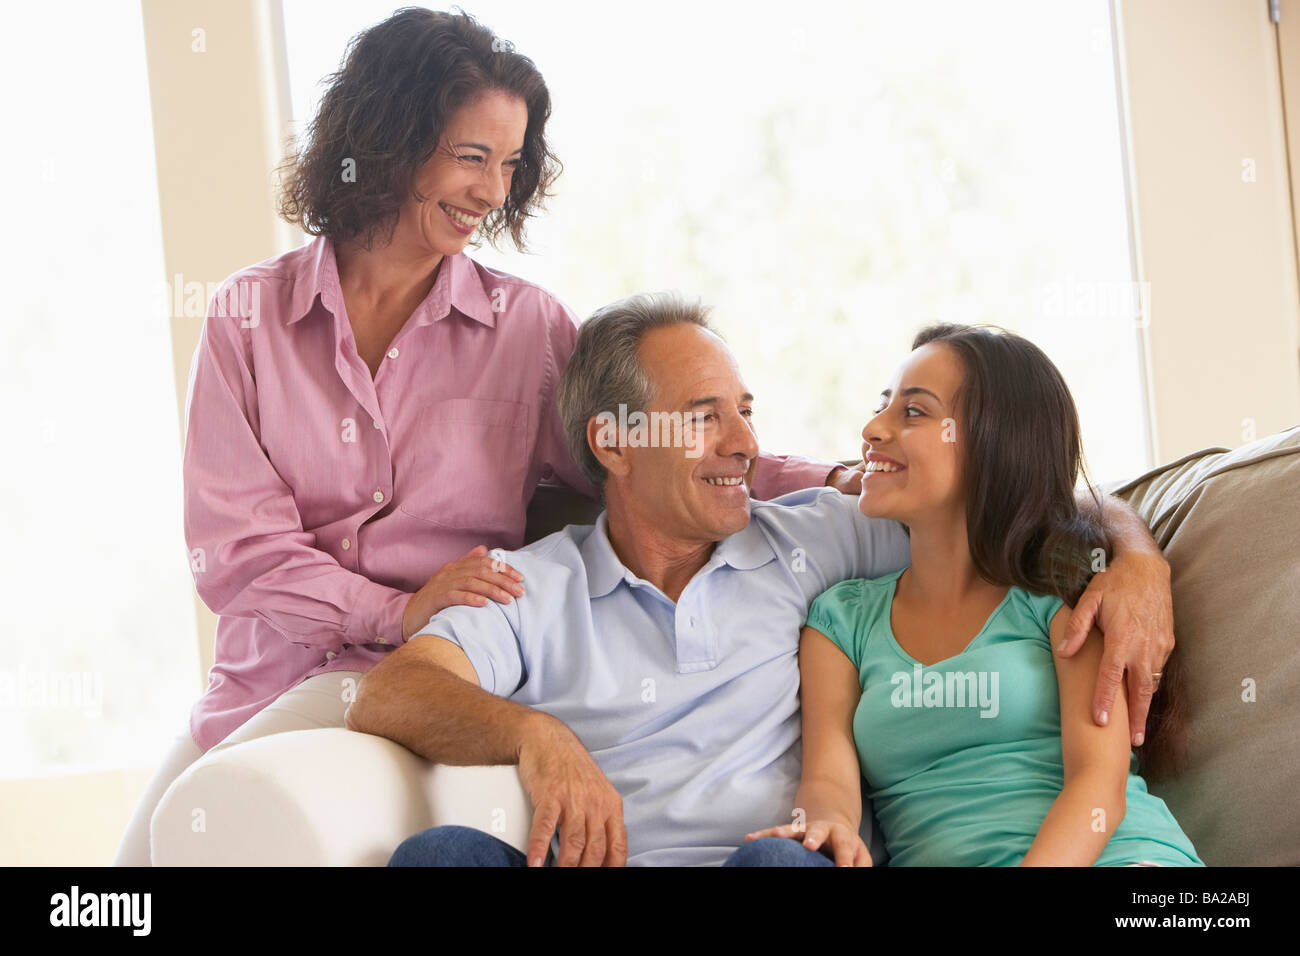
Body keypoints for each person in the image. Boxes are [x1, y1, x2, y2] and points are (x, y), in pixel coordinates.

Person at [113, 9, 847, 867]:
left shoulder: (525, 330)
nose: (494, 193)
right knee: (127, 870)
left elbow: (648, 445)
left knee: (180, 844)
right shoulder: (250, 315)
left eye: (509, 164)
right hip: (266, 682)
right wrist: (395, 605)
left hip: (433, 680)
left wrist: (836, 477)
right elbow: (236, 552)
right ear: (387, 141)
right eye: (471, 157)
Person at [348, 294, 1179, 867]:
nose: (745, 442)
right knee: (440, 856)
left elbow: (1004, 494)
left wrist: (1136, 557)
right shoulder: (532, 586)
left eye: (747, 410)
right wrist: (536, 735)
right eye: (708, 415)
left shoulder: (817, 538)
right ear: (614, 442)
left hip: (774, 861)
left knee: (779, 863)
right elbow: (393, 693)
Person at [747, 324, 1203, 866]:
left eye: (913, 412)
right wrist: (826, 824)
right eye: (882, 406)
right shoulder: (841, 620)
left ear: (995, 444)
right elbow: (828, 782)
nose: (871, 428)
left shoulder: (1060, 592)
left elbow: (1097, 788)